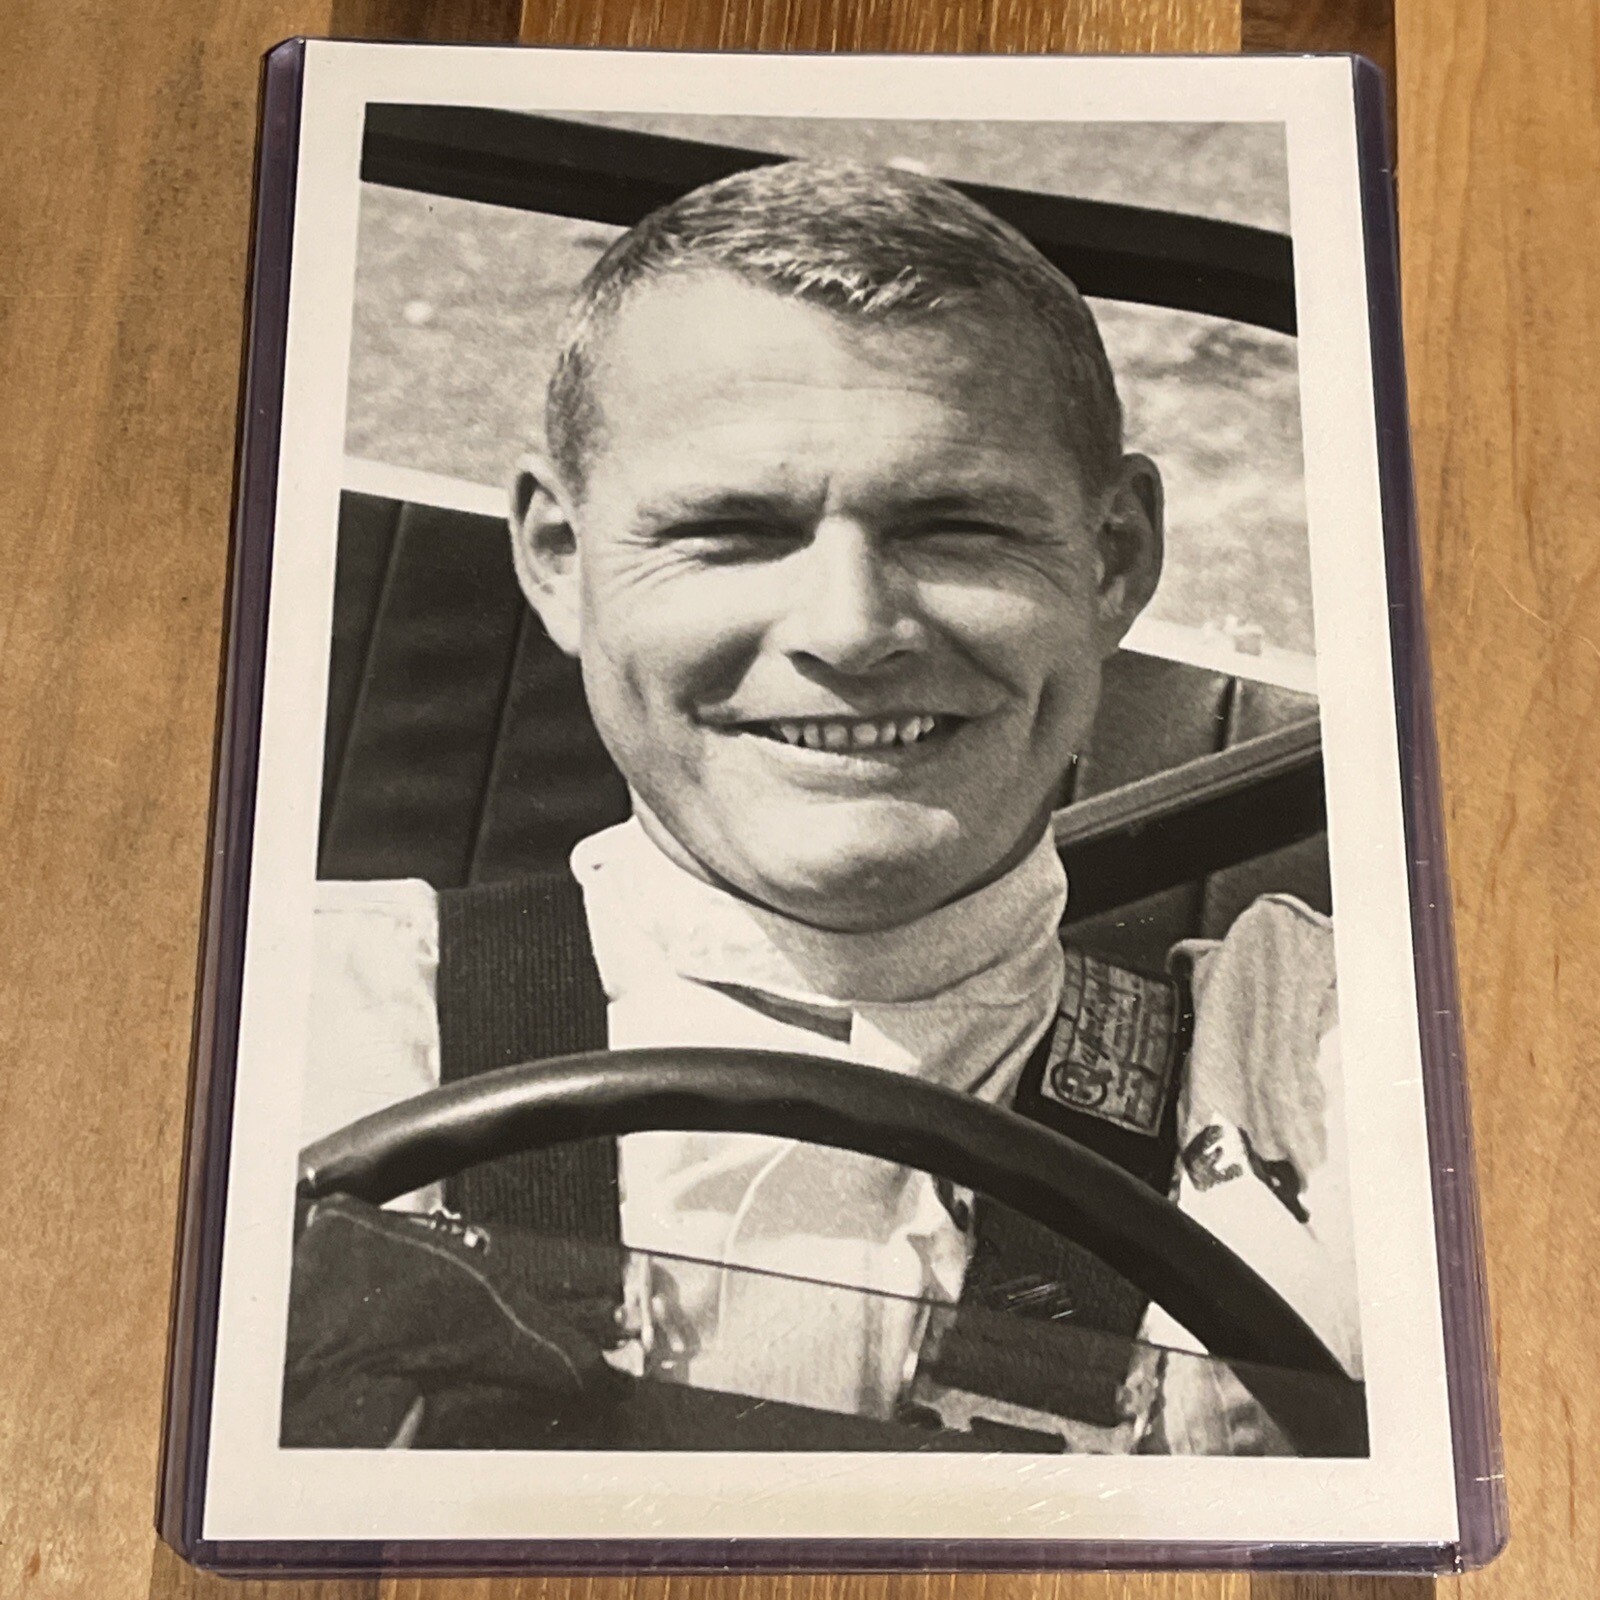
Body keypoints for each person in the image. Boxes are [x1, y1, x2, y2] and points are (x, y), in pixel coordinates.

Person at [296, 160, 1359, 1454]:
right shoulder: (291, 1022)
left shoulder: (1333, 1069)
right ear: (561, 563)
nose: (852, 632)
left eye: (958, 526)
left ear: (1113, 560)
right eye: (732, 531)